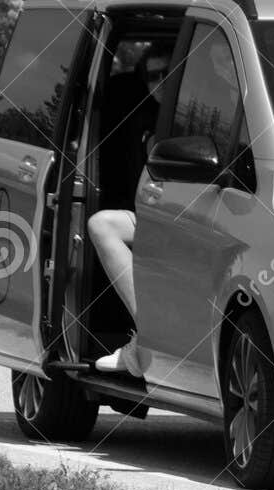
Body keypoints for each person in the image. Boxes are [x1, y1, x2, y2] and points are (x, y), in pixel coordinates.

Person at [90, 50, 168, 376]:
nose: (160, 82)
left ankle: (147, 342)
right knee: (101, 223)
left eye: (166, 72)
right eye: (151, 76)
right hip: (156, 216)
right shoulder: (143, 118)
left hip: (196, 217)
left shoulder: (198, 110)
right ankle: (149, 333)